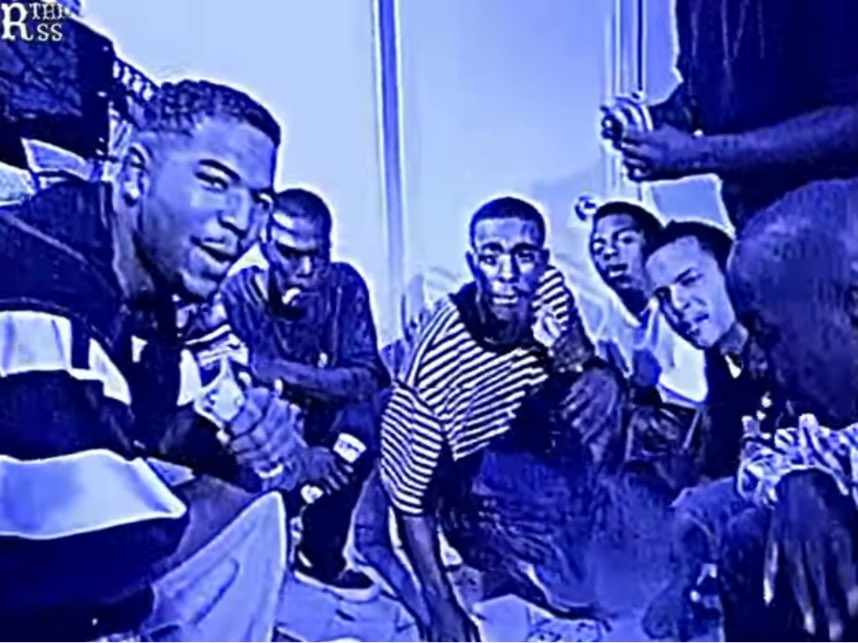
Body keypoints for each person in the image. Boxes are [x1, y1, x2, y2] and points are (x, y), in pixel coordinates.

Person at [0, 79, 298, 641]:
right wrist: (248, 473)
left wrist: (251, 431)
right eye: (214, 181)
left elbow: (169, 419)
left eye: (259, 202)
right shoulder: (46, 296)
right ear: (136, 173)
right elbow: (95, 562)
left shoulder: (144, 271)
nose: (240, 221)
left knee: (258, 520)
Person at [381, 196, 625, 641]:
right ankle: (513, 549)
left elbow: (579, 359)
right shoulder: (436, 357)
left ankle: (581, 519)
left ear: (543, 261)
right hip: (469, 481)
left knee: (605, 392)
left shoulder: (550, 291)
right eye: (492, 257)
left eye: (523, 256)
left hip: (528, 438)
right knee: (568, 592)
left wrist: (589, 368)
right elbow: (410, 501)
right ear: (473, 264)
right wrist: (442, 606)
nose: (508, 275)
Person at [218, 187, 389, 591]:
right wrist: (299, 453)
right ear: (265, 248)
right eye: (290, 254)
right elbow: (234, 396)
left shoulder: (343, 285)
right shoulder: (236, 298)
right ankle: (275, 527)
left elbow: (365, 376)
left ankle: (319, 553)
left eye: (318, 254)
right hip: (270, 427)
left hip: (326, 421)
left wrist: (278, 371)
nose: (307, 269)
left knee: (366, 418)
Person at [717, 178, 858, 641]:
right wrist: (799, 483)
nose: (757, 363)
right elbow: (773, 455)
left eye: (767, 333)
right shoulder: (831, 426)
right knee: (751, 537)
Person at [604, 0, 858, 234]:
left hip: (840, 230)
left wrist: (698, 154)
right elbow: (699, 90)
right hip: (758, 227)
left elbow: (849, 120)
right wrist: (656, 122)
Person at [641, 220, 769, 640]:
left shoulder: (786, 342)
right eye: (663, 295)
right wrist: (678, 584)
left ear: (734, 271)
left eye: (689, 280)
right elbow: (715, 471)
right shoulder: (722, 361)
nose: (678, 304)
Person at [589, 200, 707, 408]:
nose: (609, 252)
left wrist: (646, 386)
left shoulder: (686, 312)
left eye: (625, 240)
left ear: (653, 245)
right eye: (599, 247)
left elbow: (700, 394)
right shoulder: (607, 333)